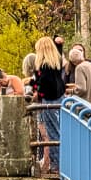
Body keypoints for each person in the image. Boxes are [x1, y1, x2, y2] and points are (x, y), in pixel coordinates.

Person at [34, 36, 65, 172]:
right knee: (59, 130)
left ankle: (56, 164)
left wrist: (38, 94)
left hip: (49, 100)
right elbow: (58, 50)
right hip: (60, 97)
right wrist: (57, 43)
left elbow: (44, 84)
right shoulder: (56, 62)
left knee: (53, 132)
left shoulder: (44, 66)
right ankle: (60, 163)